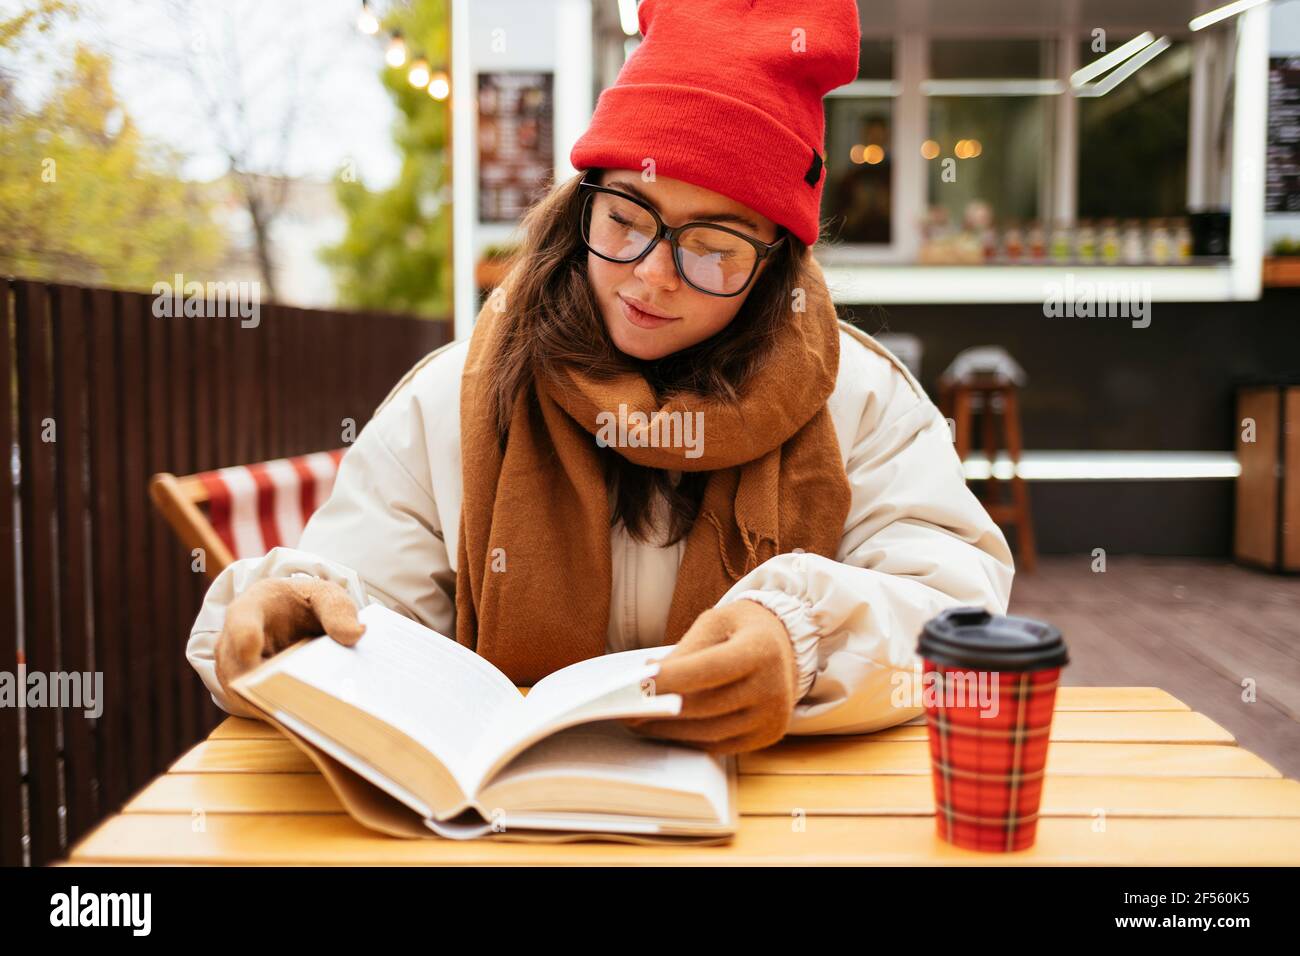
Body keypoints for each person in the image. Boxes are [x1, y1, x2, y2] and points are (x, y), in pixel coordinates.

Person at [186, 0, 1014, 756]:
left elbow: (952, 598)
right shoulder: (456, 398)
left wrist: (806, 644)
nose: (652, 276)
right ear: (580, 207)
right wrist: (296, 619)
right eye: (625, 219)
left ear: (773, 265)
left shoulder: (858, 403)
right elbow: (366, 607)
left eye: (713, 248)